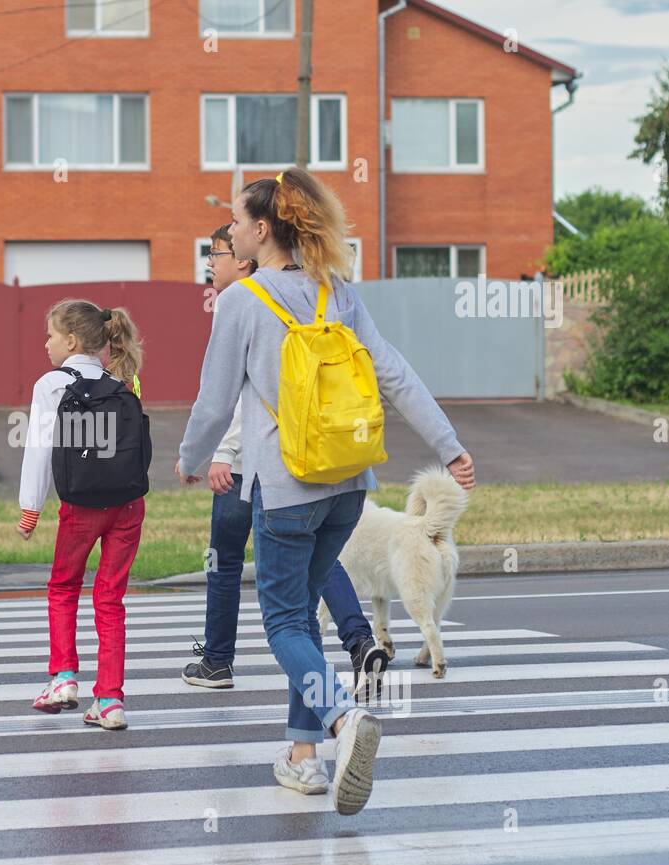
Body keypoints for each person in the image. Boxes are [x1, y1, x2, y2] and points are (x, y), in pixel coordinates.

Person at [176, 169, 476, 815]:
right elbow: (393, 371)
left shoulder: (241, 302)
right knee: (306, 614)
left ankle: (342, 721)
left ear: (261, 230)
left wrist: (190, 458)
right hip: (350, 489)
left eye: (233, 221)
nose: (228, 230)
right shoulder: (334, 291)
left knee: (283, 622)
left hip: (286, 490)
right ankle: (303, 760)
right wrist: (449, 447)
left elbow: (212, 400)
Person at [183, 225, 390, 700]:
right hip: (323, 471)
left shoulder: (243, 303)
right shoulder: (304, 297)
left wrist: (215, 455)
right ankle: (355, 646)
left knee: (231, 569)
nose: (210, 265)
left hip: (251, 468)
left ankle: (220, 661)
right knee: (311, 570)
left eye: (216, 253)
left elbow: (233, 401)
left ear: (244, 258)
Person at [18, 299, 147, 730]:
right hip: (128, 507)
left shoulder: (50, 385)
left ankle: (64, 677)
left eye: (51, 335)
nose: (46, 343)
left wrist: (30, 508)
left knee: (64, 587)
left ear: (71, 340)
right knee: (110, 600)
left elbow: (38, 452)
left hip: (80, 508)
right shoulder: (120, 382)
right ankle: (110, 701)